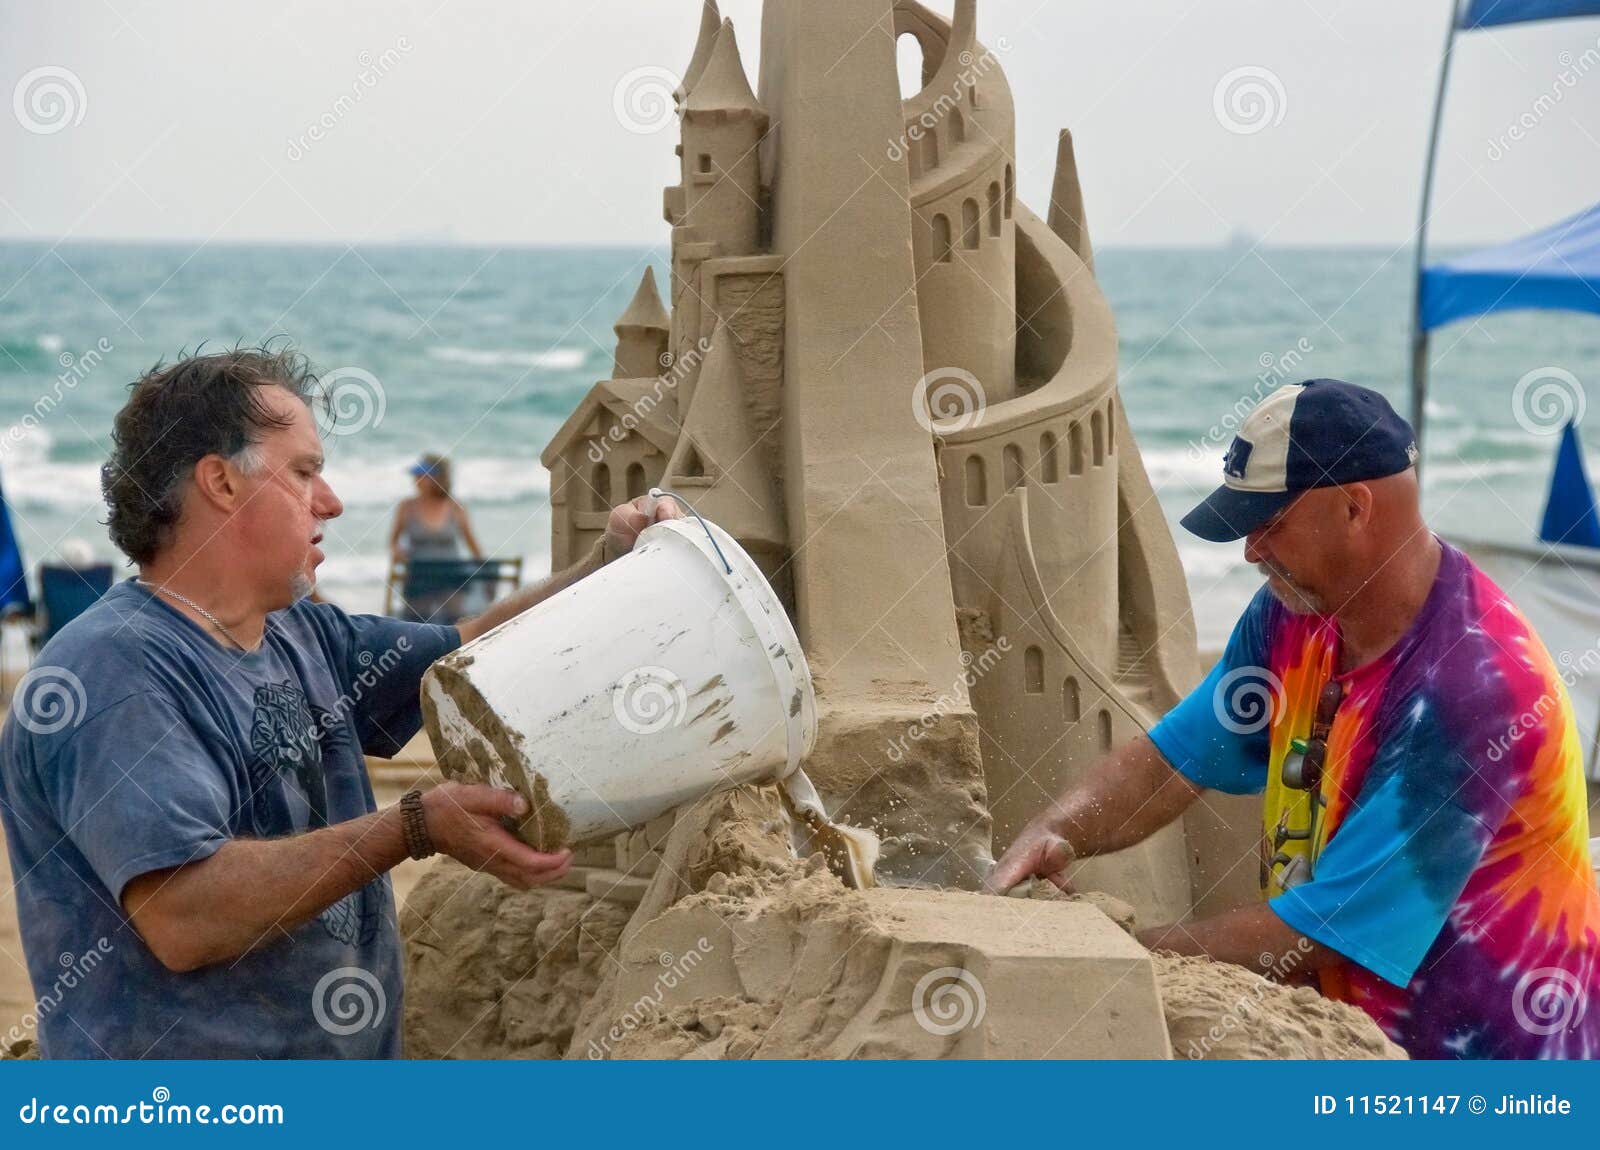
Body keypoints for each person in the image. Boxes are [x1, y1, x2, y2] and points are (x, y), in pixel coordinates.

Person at [0, 347, 680, 1058]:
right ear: (222, 482)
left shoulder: (302, 632)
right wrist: (410, 828)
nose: (330, 502)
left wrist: (608, 563)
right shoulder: (111, 672)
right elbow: (184, 915)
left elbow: (474, 648)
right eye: (304, 472)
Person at [988, 378, 1600, 1059]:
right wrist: (1056, 831)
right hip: (1353, 1041)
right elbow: (1175, 760)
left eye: (1270, 523)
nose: (1250, 550)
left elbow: (1321, 929)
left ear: (1355, 508)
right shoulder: (1295, 612)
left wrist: (1122, 951)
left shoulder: (1473, 688)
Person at [388, 454, 483, 623]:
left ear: (437, 478)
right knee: (416, 621)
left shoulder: (455, 507)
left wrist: (485, 574)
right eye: (416, 475)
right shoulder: (406, 506)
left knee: (455, 618)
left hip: (451, 575)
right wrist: (397, 550)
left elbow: (473, 545)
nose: (416, 480)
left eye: (422, 475)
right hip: (419, 576)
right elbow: (393, 541)